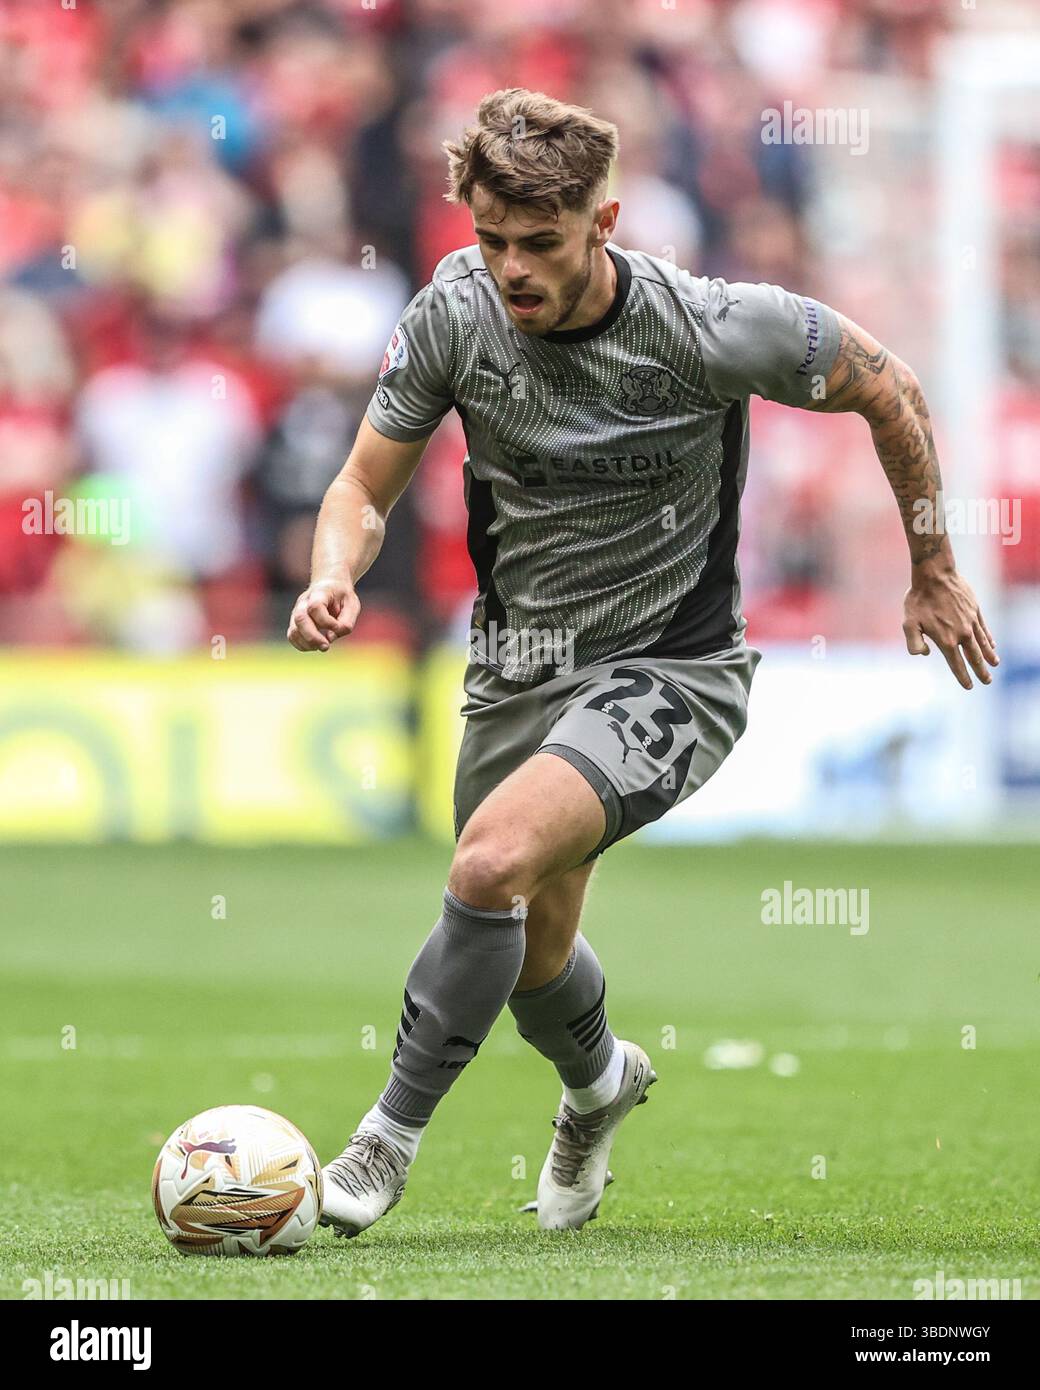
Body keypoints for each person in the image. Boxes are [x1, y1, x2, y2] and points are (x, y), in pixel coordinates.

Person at [287, 88, 998, 1235]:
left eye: (539, 243)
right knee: (529, 953)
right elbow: (362, 487)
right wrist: (335, 569)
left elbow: (889, 387)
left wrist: (931, 565)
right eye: (489, 240)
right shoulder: (452, 316)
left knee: (484, 868)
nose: (509, 267)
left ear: (603, 220)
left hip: (672, 666)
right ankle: (598, 1083)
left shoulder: (710, 327)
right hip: (518, 665)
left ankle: (382, 1142)